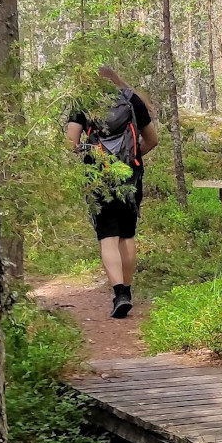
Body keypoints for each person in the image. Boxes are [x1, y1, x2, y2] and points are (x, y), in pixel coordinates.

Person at [64, 67, 157, 319]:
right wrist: (132, 157)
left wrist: (91, 156)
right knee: (127, 235)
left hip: (97, 178)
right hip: (130, 175)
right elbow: (152, 139)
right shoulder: (131, 99)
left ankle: (119, 294)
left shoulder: (83, 102)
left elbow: (71, 143)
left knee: (108, 237)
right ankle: (128, 289)